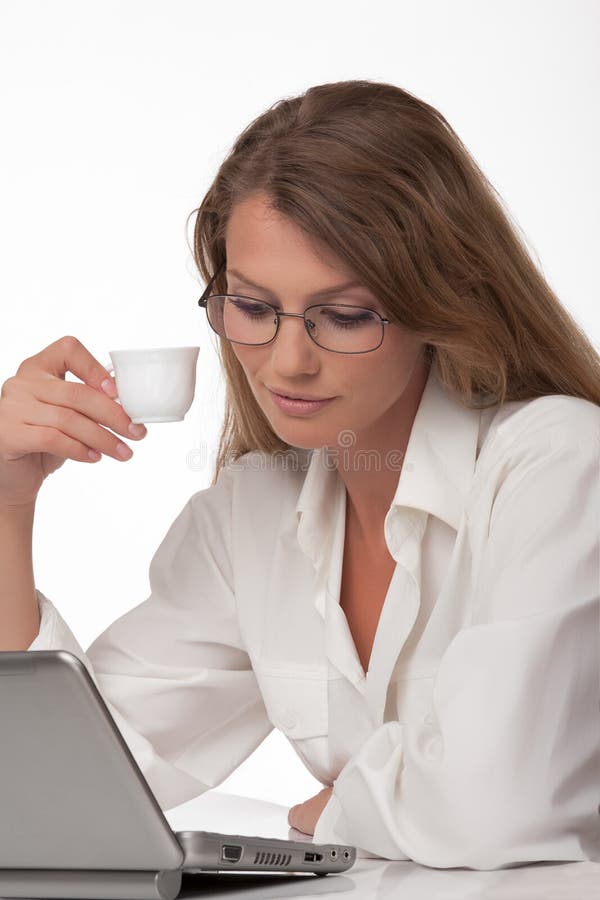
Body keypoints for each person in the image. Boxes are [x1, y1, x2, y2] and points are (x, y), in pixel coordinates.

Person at [1, 79, 599, 871]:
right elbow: (48, 787)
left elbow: (493, 805)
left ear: (442, 300)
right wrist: (7, 509)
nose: (288, 362)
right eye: (251, 307)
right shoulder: (250, 515)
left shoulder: (560, 464)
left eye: (344, 316)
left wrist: (338, 808)